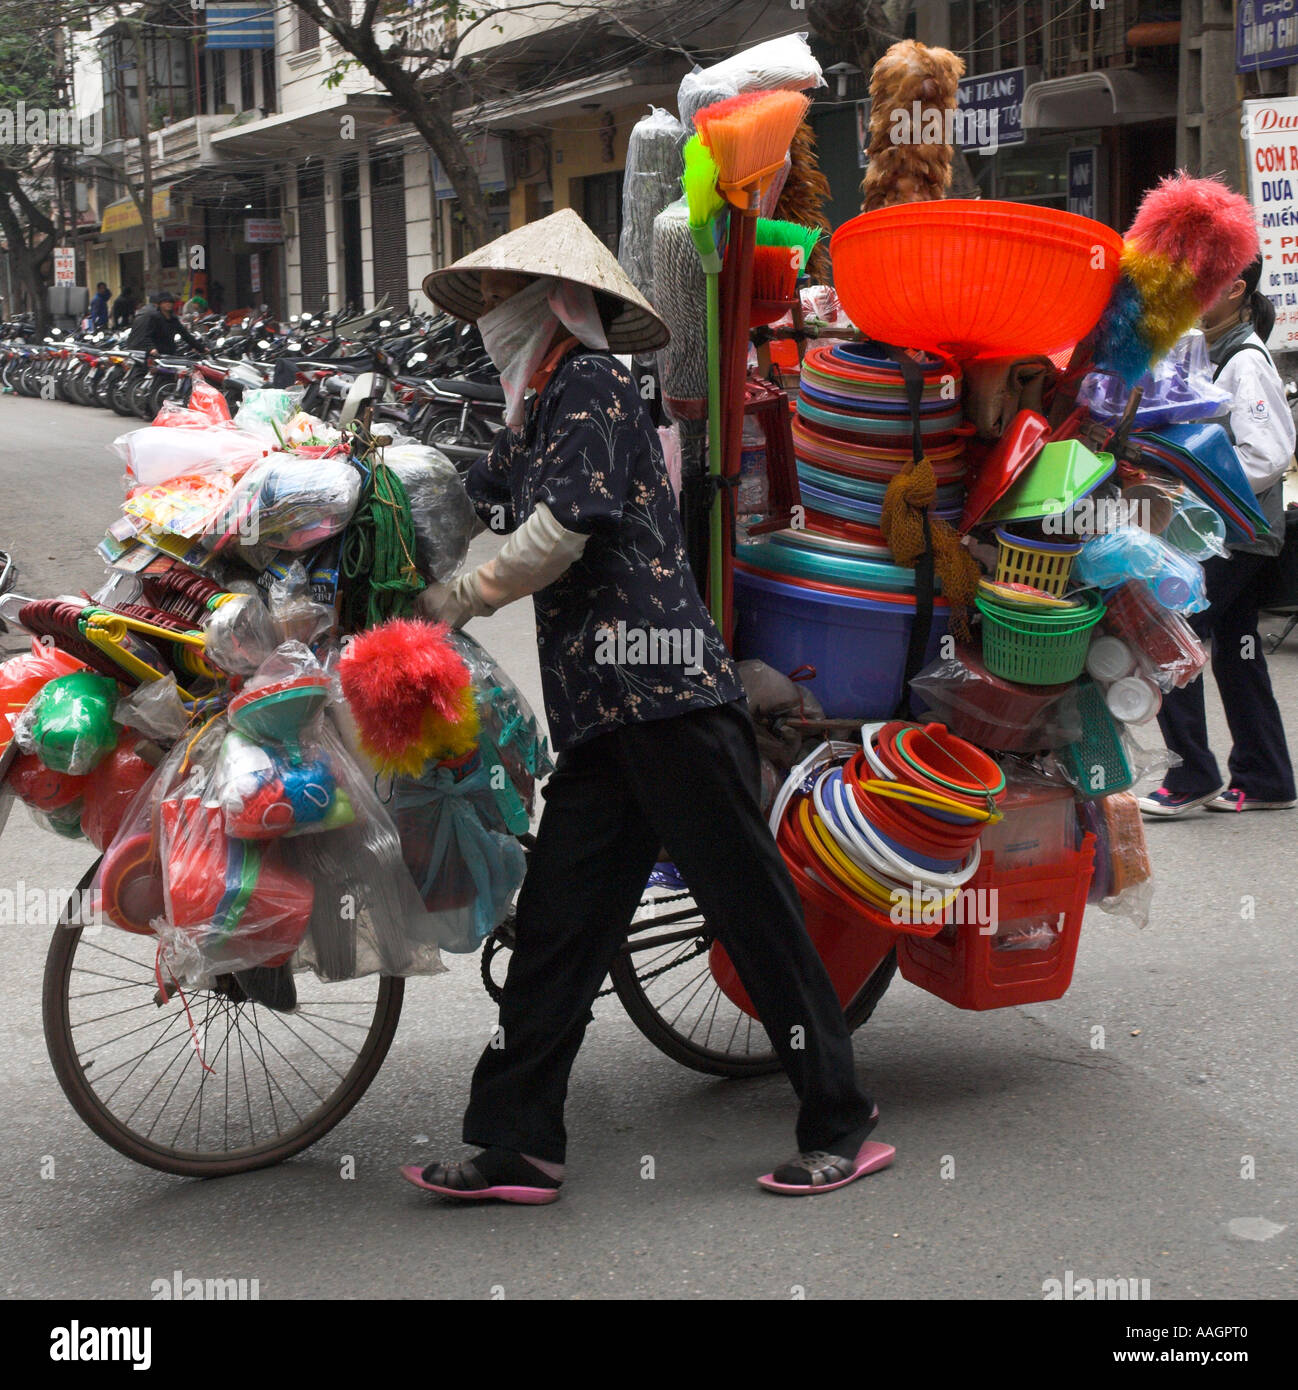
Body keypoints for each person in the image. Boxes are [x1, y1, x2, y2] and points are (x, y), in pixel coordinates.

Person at [404, 209, 883, 1203]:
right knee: (558, 929)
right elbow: (482, 496)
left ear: (549, 300)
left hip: (663, 697)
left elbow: (559, 530)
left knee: (752, 914)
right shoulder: (536, 407)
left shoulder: (589, 382)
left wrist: (458, 601)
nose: (489, 311)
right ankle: (516, 1141)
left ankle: (840, 1119)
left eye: (501, 292)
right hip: (602, 715)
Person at [1140, 254, 1297, 817]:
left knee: (1170, 636)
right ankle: (1267, 777)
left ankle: (1190, 778)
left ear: (1234, 290)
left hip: (1235, 534)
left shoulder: (1246, 360)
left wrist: (1196, 483)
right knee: (1237, 651)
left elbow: (1270, 454)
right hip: (1228, 532)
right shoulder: (1210, 350)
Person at [124, 290, 205, 355]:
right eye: (165, 302)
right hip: (155, 355)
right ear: (160, 304)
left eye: (170, 302)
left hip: (169, 354)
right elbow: (146, 336)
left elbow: (185, 335)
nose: (168, 304)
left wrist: (201, 348)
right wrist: (152, 349)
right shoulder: (154, 317)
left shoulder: (173, 319)